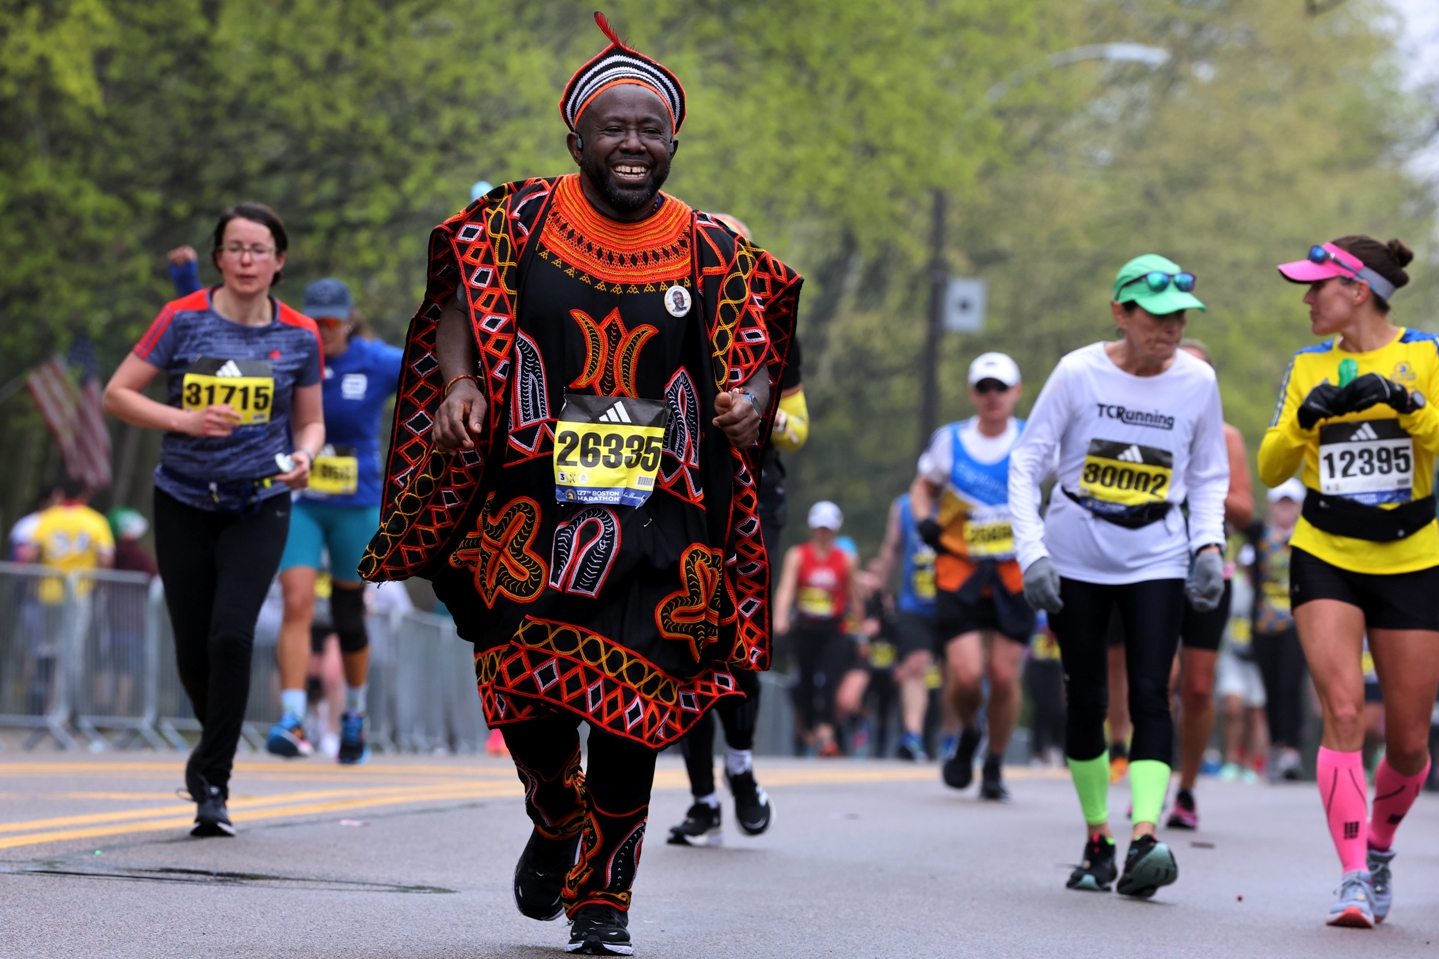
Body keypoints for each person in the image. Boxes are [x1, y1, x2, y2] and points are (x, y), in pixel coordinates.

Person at [356, 15, 799, 954]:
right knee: (521, 685)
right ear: (576, 143)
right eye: (613, 128)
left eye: (650, 130)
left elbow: (762, 357)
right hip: (527, 507)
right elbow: (457, 310)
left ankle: (604, 900)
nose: (633, 144)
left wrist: (748, 405)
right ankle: (555, 811)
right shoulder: (514, 220)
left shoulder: (714, 249)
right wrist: (463, 383)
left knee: (636, 705)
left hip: (661, 513)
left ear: (672, 143)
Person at [1010, 253, 1228, 899]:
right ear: (1120, 314)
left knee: (1151, 694)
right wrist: (1032, 554)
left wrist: (1207, 545)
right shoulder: (1078, 372)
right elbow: (1027, 462)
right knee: (1086, 699)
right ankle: (1098, 838)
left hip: (1156, 554)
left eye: (1179, 317)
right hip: (1075, 554)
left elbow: (1209, 474)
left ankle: (1144, 838)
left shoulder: (1197, 380)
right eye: (1156, 317)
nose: (1171, 329)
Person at [104, 201, 324, 838]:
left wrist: (306, 456)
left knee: (232, 635)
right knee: (195, 649)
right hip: (183, 500)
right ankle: (212, 744)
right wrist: (184, 420)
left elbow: (310, 420)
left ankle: (213, 783)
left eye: (259, 250)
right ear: (218, 258)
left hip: (260, 501)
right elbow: (118, 393)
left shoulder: (300, 334)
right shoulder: (182, 318)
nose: (246, 260)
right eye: (235, 248)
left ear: (279, 261)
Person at [1259, 235, 1439, 927]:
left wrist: (1404, 400)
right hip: (1325, 552)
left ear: (1358, 290)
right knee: (1341, 714)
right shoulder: (1307, 365)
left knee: (1408, 742)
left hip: (1411, 559)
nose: (1307, 299)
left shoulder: (1427, 354)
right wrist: (1306, 420)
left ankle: (1381, 846)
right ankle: (1353, 875)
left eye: (1317, 286)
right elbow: (1273, 465)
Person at [668, 214, 795, 848]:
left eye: (737, 253)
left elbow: (797, 418)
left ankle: (740, 767)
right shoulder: (671, 306)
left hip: (754, 497)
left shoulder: (773, 319)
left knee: (738, 634)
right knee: (686, 638)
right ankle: (702, 799)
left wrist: (759, 413)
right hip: (680, 491)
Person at [259, 277, 403, 764]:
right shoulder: (292, 356)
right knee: (296, 600)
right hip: (302, 499)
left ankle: (355, 715)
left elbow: (430, 366)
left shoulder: (375, 360)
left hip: (355, 504)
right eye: (314, 321)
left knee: (348, 615)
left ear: (349, 319)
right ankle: (293, 718)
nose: (323, 329)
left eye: (331, 321)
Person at [910, 352, 1031, 801]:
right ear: (972, 394)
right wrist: (924, 520)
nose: (993, 396)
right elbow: (922, 486)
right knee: (965, 675)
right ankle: (968, 730)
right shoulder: (951, 441)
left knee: (1002, 675)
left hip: (1014, 573)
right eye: (984, 388)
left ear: (1017, 392)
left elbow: (1066, 484)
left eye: (1001, 387)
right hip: (959, 570)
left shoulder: (1032, 438)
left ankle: (995, 763)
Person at [774, 502, 862, 757]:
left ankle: (826, 732)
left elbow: (854, 597)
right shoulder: (798, 555)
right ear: (812, 528)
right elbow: (786, 589)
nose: (823, 534)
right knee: (805, 680)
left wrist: (861, 631)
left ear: (835, 531)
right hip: (805, 627)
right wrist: (780, 617)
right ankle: (808, 729)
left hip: (834, 629)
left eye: (828, 529)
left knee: (829, 680)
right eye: (819, 528)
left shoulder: (846, 559)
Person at [870, 492, 938, 760]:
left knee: (957, 672)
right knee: (915, 664)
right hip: (914, 604)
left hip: (954, 600)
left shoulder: (963, 497)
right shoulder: (903, 506)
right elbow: (891, 549)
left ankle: (953, 738)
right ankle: (913, 737)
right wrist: (881, 592)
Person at [1253, 478, 1307, 782]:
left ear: (1300, 506)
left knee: (1290, 683)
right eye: (1280, 502)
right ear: (1271, 505)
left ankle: (1292, 751)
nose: (1285, 508)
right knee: (1271, 687)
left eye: (1291, 502)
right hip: (1264, 624)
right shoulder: (1260, 536)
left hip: (1297, 623)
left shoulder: (1309, 539)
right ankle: (1275, 745)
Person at [1214, 541, 1267, 783]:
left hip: (1258, 662)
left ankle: (1251, 764)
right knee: (1232, 707)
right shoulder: (1234, 588)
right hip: (1233, 657)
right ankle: (1230, 760)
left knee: (1255, 712)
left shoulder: (1269, 592)